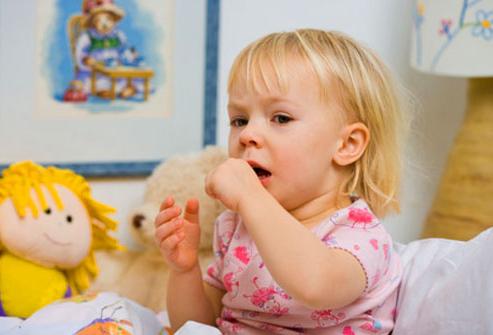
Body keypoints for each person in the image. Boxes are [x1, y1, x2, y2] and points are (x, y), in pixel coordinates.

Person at [155, 29, 405, 334]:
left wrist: (250, 197)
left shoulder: (362, 234)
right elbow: (196, 324)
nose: (247, 135)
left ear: (347, 145)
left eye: (281, 118)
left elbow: (316, 285)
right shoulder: (234, 227)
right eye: (240, 120)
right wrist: (184, 271)